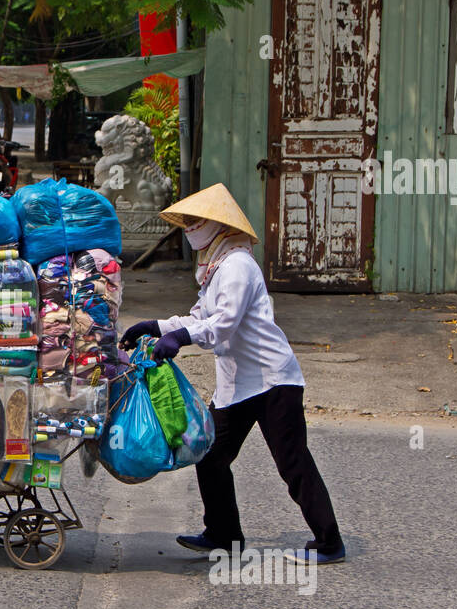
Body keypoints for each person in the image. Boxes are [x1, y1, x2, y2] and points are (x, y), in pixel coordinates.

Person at [119, 183, 346, 566]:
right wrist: (155, 326)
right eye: (187, 223)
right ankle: (224, 536)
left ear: (216, 225)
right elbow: (198, 317)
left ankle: (329, 543)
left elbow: (223, 324)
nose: (190, 229)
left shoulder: (238, 266)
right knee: (209, 453)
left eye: (195, 222)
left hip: (273, 382)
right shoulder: (215, 266)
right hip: (238, 385)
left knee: (292, 462)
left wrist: (180, 338)